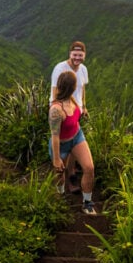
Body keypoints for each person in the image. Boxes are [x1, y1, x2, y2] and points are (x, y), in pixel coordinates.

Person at [49, 70, 97, 215]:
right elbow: (55, 136)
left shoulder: (72, 99)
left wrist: (83, 111)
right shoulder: (56, 110)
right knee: (59, 174)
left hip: (77, 136)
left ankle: (87, 203)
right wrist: (56, 159)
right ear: (71, 87)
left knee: (89, 168)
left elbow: (75, 116)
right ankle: (61, 196)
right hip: (61, 144)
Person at [51, 41, 89, 192]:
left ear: (84, 55)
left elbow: (82, 88)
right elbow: (55, 91)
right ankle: (62, 174)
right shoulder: (60, 69)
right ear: (70, 54)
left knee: (74, 139)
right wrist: (59, 109)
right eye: (75, 55)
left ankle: (71, 172)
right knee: (63, 141)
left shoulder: (83, 69)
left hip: (76, 110)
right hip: (62, 111)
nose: (77, 58)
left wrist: (83, 106)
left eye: (80, 55)